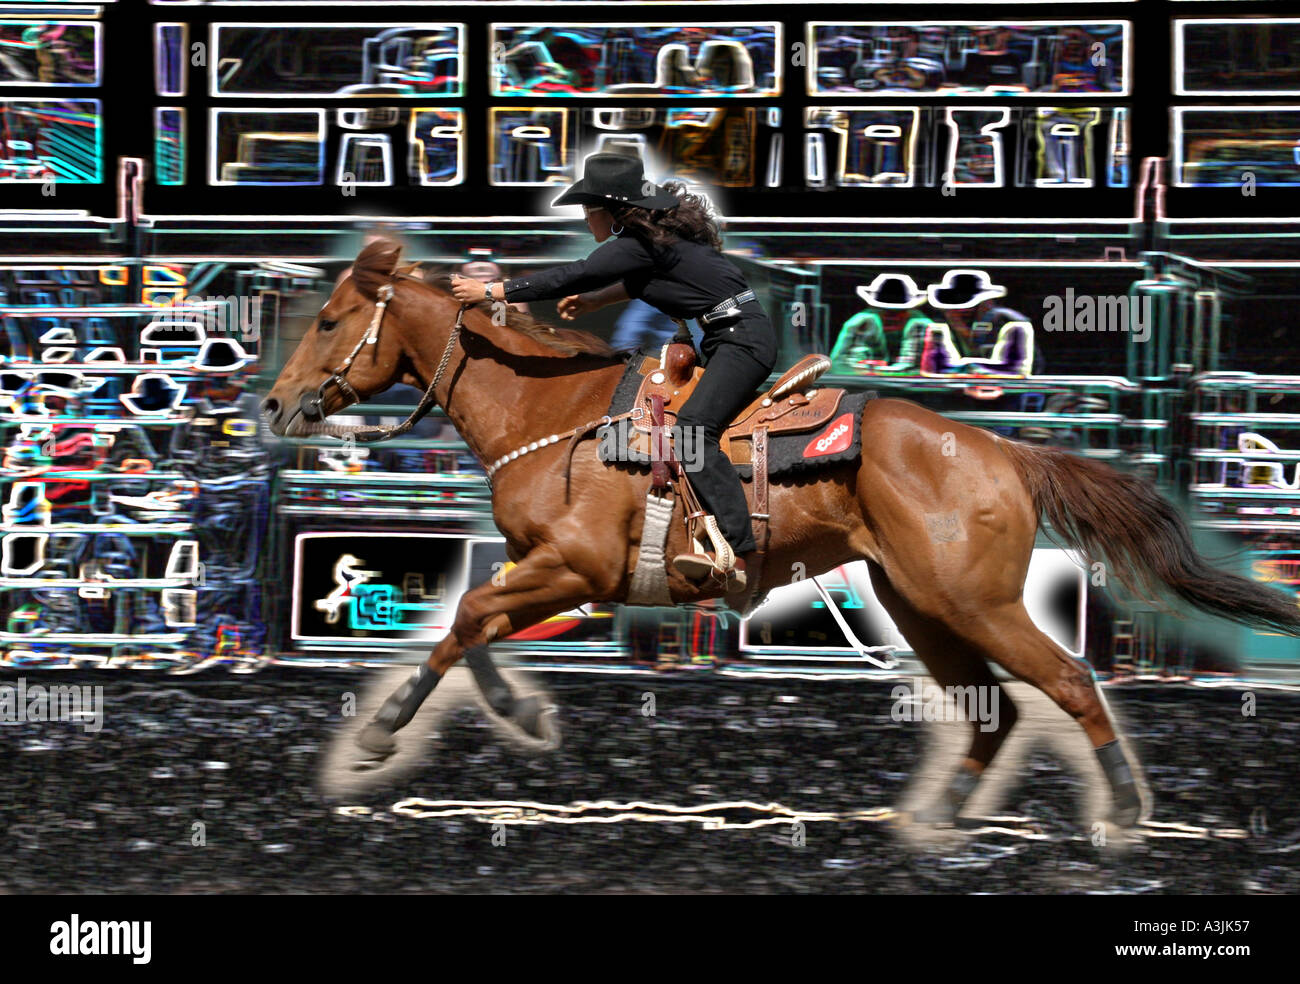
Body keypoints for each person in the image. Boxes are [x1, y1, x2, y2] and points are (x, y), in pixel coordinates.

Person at [450, 151, 778, 589]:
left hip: (742, 341)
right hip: (728, 337)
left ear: (609, 209)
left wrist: (490, 289)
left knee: (694, 431)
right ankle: (697, 529)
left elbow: (575, 274)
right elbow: (634, 281)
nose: (586, 220)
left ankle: (741, 550)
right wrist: (594, 302)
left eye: (588, 210)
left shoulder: (638, 245)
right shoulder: (655, 245)